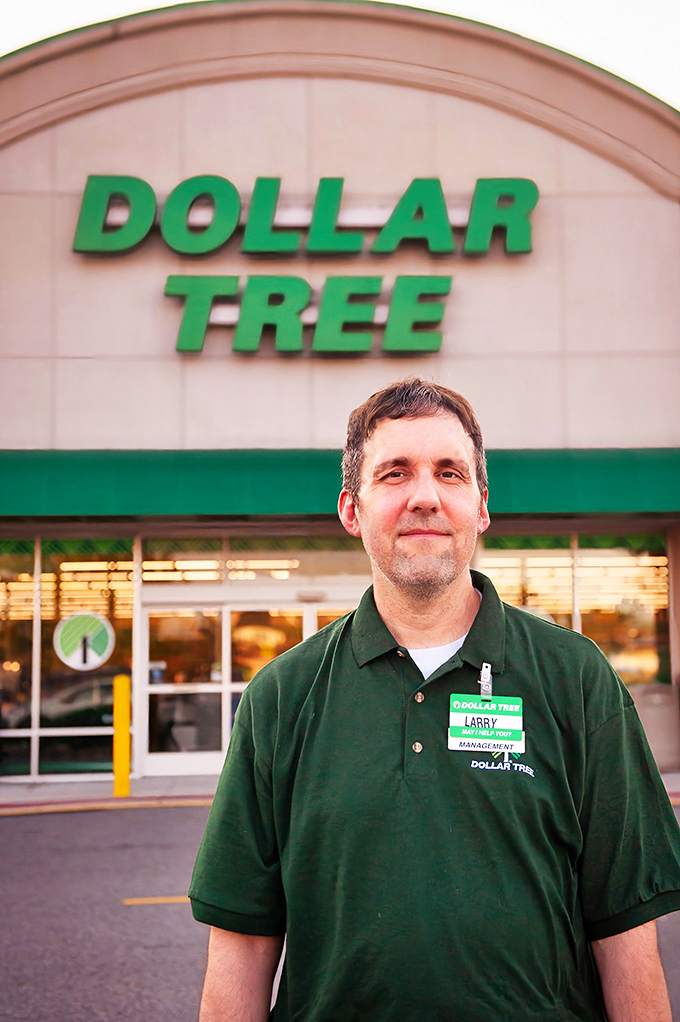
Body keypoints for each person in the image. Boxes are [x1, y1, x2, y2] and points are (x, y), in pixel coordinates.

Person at [190, 377, 680, 1022]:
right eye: (395, 474)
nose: (425, 497)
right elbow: (242, 946)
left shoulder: (577, 678)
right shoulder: (280, 697)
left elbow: (624, 933)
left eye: (449, 473)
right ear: (351, 510)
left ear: (480, 507)